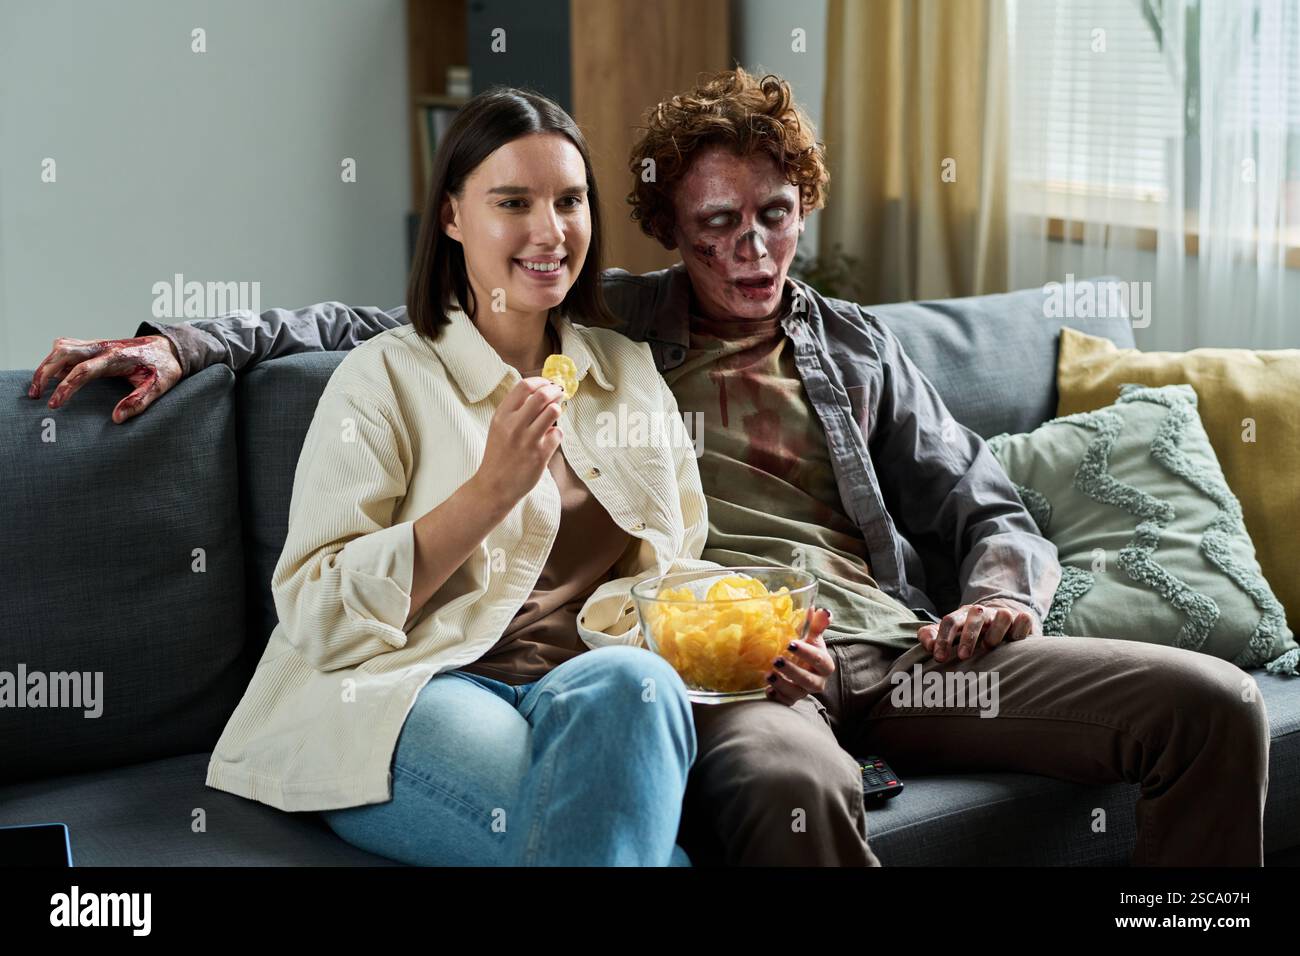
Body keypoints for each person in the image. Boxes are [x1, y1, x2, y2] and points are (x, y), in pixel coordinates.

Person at [30, 69, 1270, 866]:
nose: (751, 247)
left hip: (889, 658)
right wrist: (192, 334)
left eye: (775, 213)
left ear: (805, 208)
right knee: (770, 787)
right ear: (670, 231)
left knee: (1207, 706)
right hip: (725, 679)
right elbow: (371, 327)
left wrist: (1002, 592)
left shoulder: (839, 347)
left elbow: (976, 501)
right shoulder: (610, 323)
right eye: (718, 223)